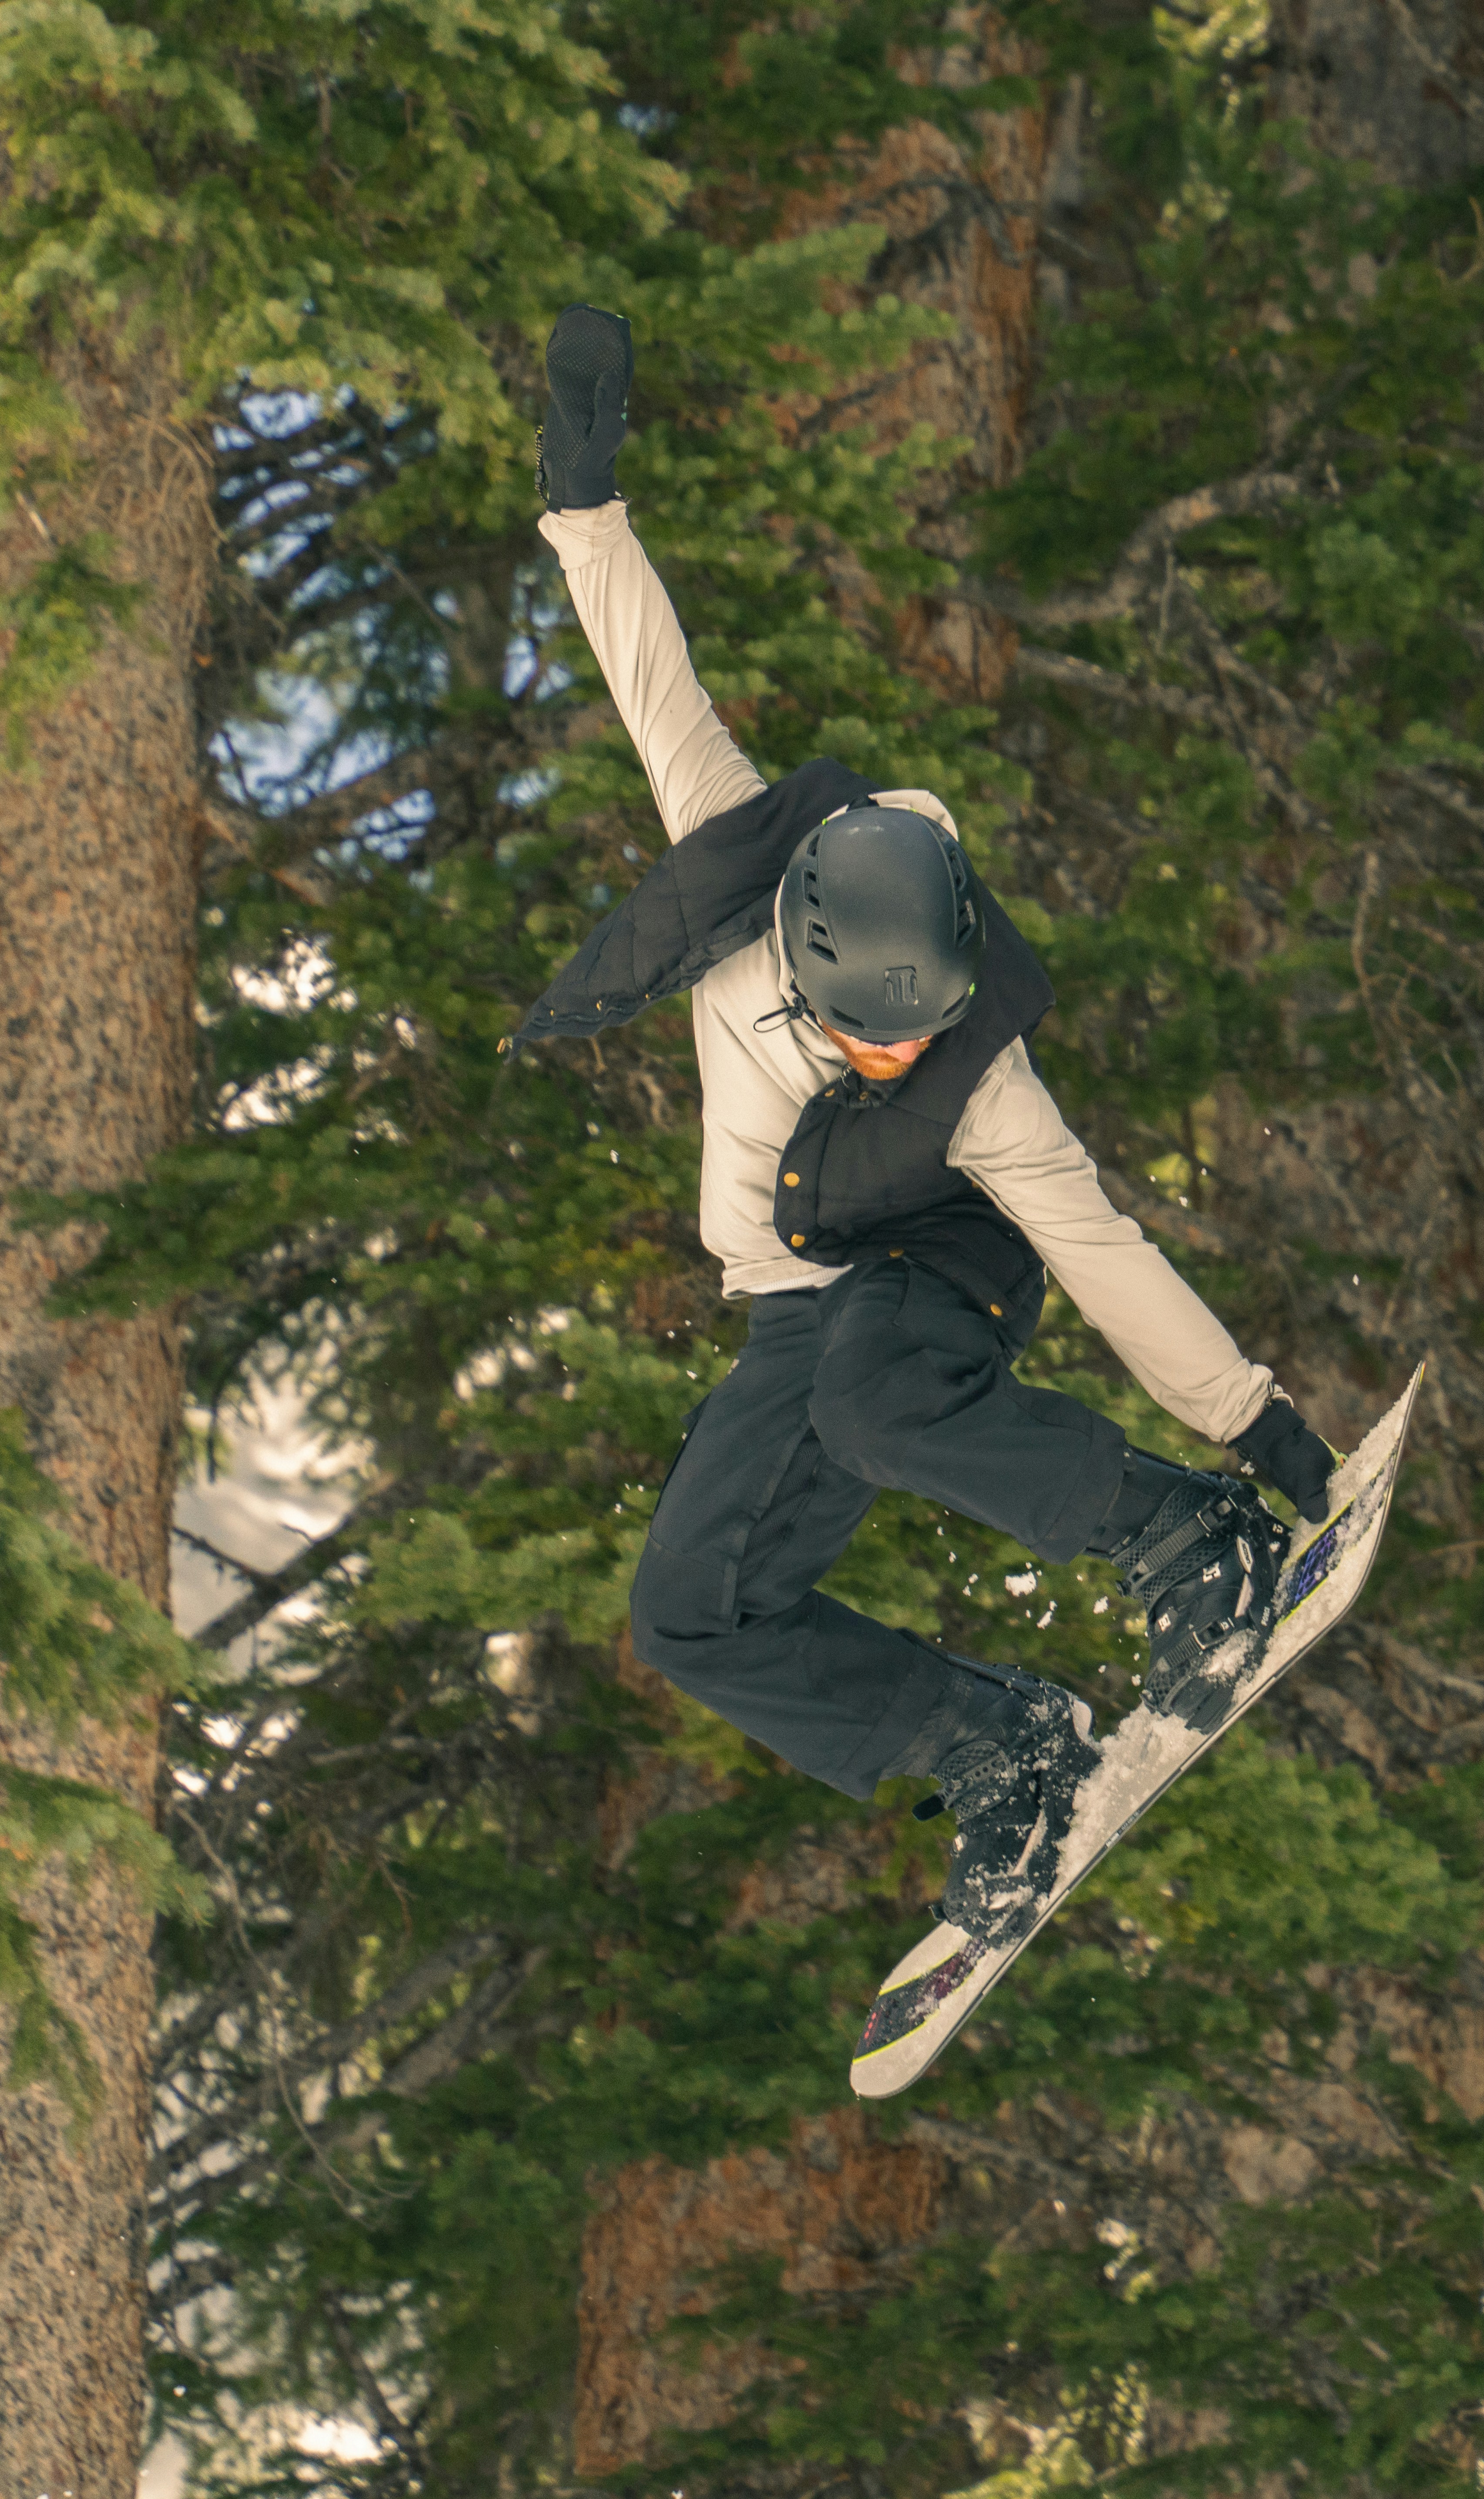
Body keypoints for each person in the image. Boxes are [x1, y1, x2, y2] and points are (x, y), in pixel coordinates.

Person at [505, 305, 1339, 1946]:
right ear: (806, 976)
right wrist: (582, 500)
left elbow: (1097, 1244)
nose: (906, 1061)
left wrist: (1259, 1434)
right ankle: (999, 1745)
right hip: (786, 1305)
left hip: (927, 1269)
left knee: (882, 1401)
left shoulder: (979, 1076)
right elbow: (647, 671)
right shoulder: (738, 867)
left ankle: (1190, 1548)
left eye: (926, 1035)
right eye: (872, 1041)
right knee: (692, 1612)